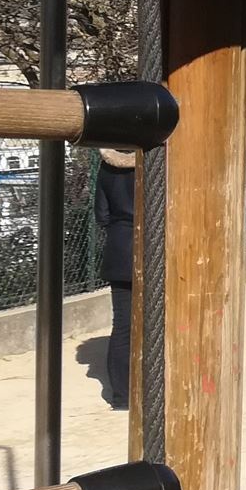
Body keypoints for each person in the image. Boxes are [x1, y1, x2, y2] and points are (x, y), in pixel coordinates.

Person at [93, 147, 136, 409]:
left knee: (123, 325)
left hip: (119, 250)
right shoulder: (156, 158)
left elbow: (102, 215)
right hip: (154, 245)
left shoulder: (107, 167)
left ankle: (121, 395)